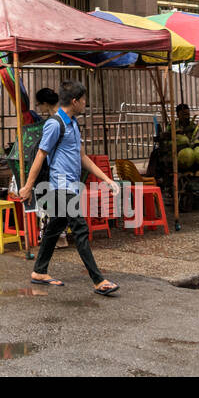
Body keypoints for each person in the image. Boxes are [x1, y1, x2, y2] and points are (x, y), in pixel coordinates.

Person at [19, 80, 121, 296]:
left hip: (71, 186)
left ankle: (39, 271)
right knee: (80, 229)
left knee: (55, 227)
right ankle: (98, 280)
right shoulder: (55, 124)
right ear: (75, 101)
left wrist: (106, 179)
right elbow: (40, 156)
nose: (85, 103)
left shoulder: (72, 124)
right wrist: (27, 186)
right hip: (60, 186)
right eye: (83, 100)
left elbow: (82, 157)